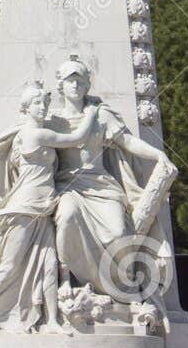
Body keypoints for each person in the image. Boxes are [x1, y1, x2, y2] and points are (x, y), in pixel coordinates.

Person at [0, 82, 92, 346]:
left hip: (44, 207)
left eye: (44, 102)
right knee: (9, 265)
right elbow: (76, 139)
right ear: (26, 108)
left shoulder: (34, 133)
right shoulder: (33, 134)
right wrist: (91, 114)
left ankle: (51, 320)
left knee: (50, 265)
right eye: (37, 103)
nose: (42, 108)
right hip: (25, 207)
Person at [51, 57, 176, 302]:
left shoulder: (101, 116)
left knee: (119, 231)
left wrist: (158, 153)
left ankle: (116, 284)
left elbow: (128, 142)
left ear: (87, 85)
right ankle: (66, 277)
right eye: (70, 81)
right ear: (61, 86)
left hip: (102, 186)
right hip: (69, 188)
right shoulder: (54, 121)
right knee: (66, 217)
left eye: (80, 81)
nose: (75, 86)